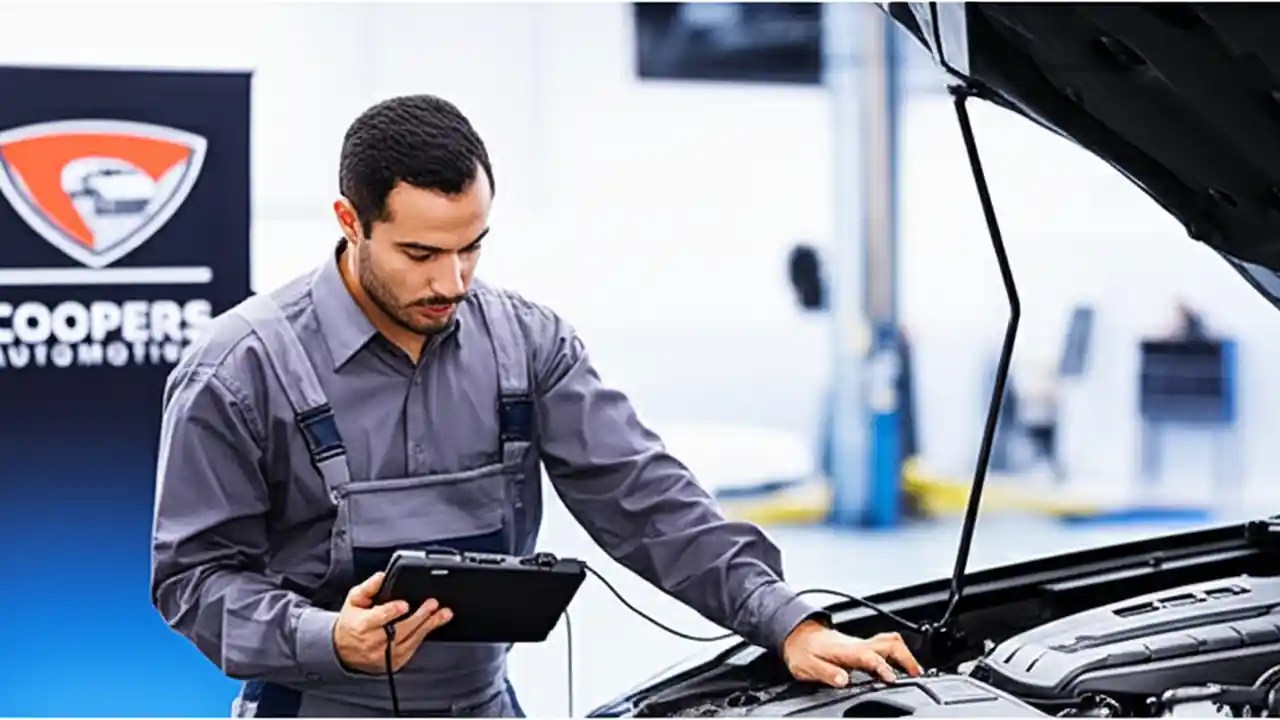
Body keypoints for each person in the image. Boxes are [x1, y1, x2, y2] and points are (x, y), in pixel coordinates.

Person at [149, 94, 922, 718]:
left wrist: (786, 621)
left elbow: (648, 499)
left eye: (472, 246)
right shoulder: (238, 370)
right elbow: (192, 578)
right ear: (350, 222)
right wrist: (324, 636)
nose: (452, 282)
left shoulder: (525, 344)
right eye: (420, 254)